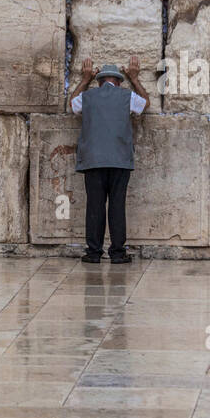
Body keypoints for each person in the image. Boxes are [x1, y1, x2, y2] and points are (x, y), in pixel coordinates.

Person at [67, 56, 150, 264]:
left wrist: (84, 79)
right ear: (119, 81)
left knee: (95, 206)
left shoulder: (88, 96)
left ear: (99, 81)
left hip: (93, 160)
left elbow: (72, 104)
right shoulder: (127, 95)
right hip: (120, 160)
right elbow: (145, 104)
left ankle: (94, 253)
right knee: (117, 205)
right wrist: (135, 78)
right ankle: (118, 253)